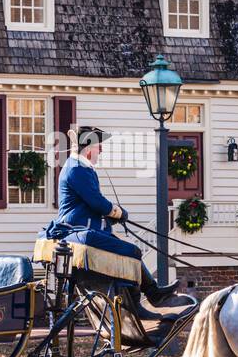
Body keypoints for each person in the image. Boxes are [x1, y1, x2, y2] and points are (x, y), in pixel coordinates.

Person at [39, 126, 181, 308]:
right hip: (77, 230)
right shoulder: (77, 169)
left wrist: (110, 215)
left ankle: (152, 293)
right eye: (99, 146)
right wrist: (117, 212)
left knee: (130, 249)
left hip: (85, 227)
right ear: (89, 148)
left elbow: (91, 204)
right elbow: (96, 202)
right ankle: (142, 302)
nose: (101, 150)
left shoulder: (78, 166)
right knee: (132, 252)